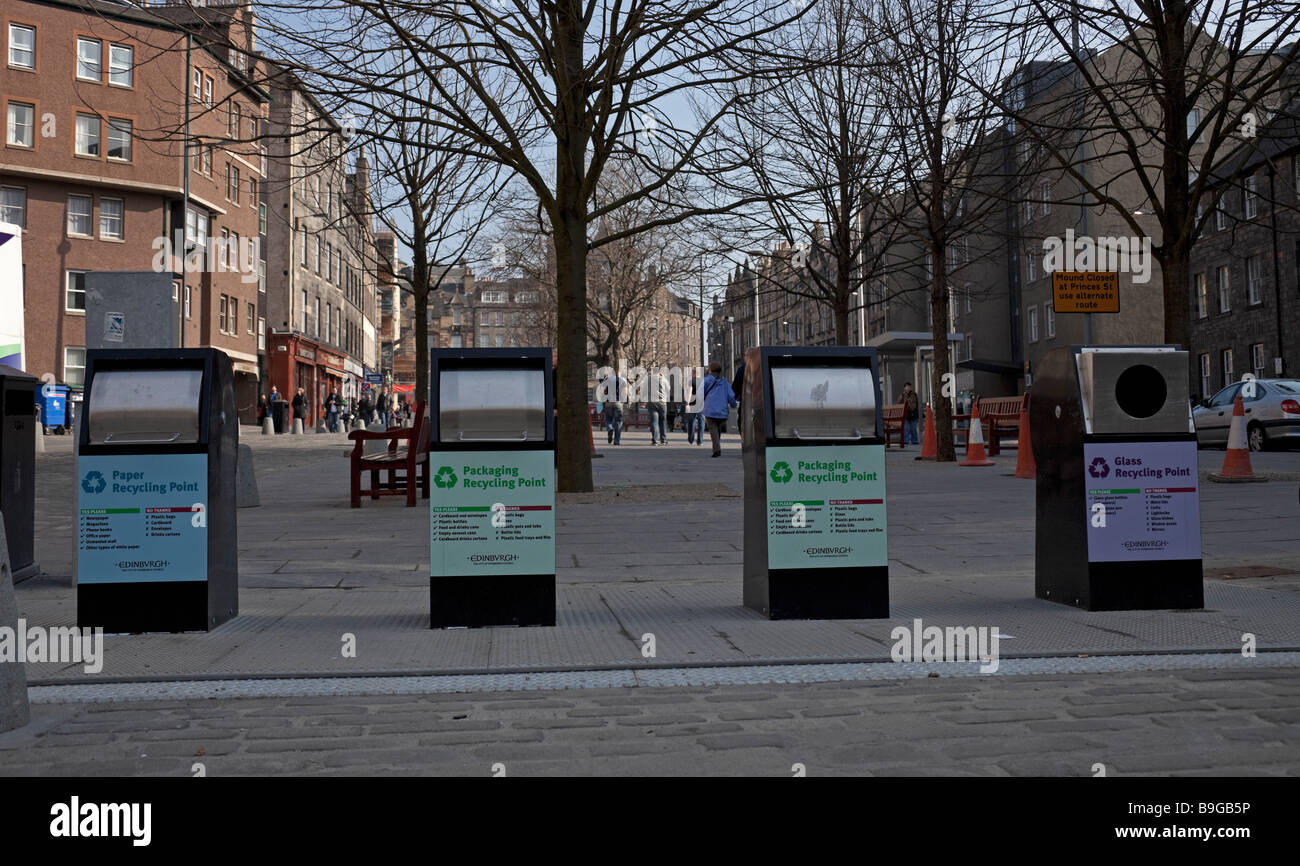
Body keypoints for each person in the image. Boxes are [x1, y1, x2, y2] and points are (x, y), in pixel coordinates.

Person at [701, 361, 737, 458]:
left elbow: (700, 393)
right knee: (718, 429)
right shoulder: (725, 382)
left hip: (710, 409)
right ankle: (717, 447)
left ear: (710, 370)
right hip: (722, 410)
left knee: (713, 430)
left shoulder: (706, 380)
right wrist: (733, 405)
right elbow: (731, 396)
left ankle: (717, 449)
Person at [600, 367, 628, 445]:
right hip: (618, 403)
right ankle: (616, 441)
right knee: (618, 421)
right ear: (619, 372)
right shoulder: (623, 380)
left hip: (608, 402)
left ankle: (610, 429)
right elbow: (625, 392)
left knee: (608, 419)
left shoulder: (607, 379)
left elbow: (602, 390)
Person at [647, 367, 670, 445]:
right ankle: (663, 440)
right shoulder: (664, 379)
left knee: (654, 422)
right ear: (659, 372)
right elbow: (668, 389)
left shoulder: (648, 379)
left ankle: (655, 440)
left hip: (652, 403)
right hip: (662, 403)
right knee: (663, 421)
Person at [682, 376, 703, 445]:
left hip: (692, 404)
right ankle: (700, 441)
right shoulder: (704, 381)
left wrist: (687, 402)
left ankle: (691, 439)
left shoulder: (691, 381)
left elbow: (689, 391)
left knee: (691, 421)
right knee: (701, 422)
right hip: (702, 404)